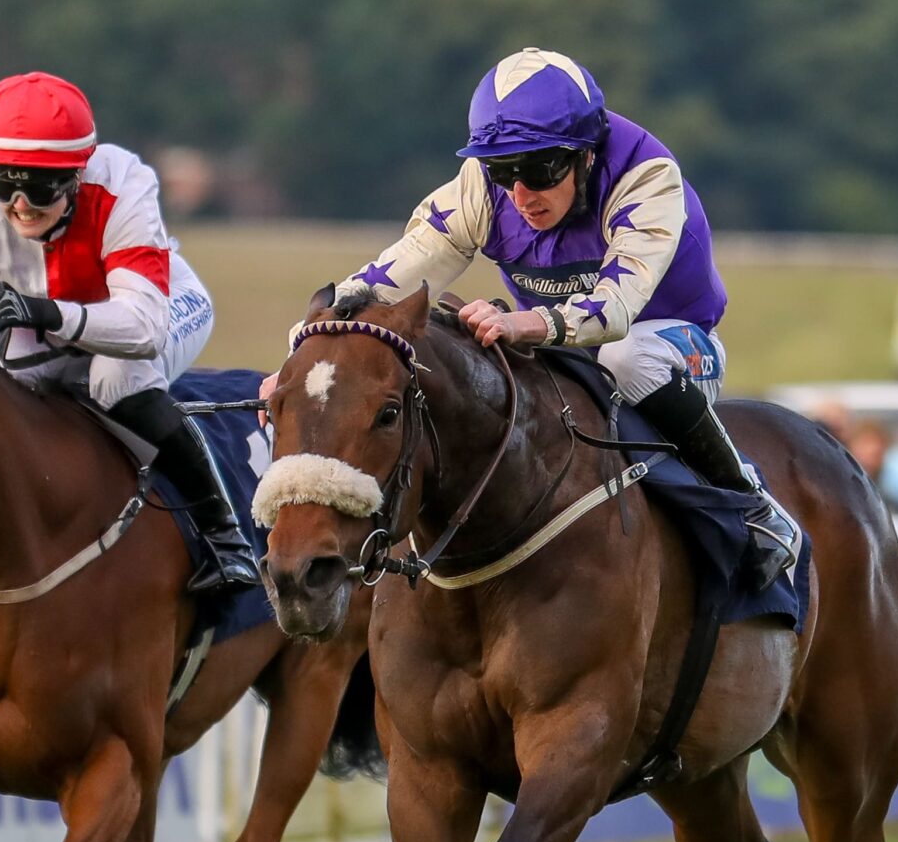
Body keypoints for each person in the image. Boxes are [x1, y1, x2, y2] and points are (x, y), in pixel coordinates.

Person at [323, 46, 802, 589]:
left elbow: (615, 310)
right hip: (563, 343)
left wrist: (524, 324)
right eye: (504, 171)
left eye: (539, 168)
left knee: (628, 358)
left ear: (586, 154)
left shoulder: (646, 178)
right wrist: (313, 338)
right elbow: (394, 273)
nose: (521, 193)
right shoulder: (483, 187)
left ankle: (752, 504)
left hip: (673, 344)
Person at [0, 71, 258, 593]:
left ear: (77, 174)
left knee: (116, 378)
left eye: (37, 185)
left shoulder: (122, 184)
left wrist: (47, 313)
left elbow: (142, 329)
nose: (20, 204)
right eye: (2, 182)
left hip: (160, 308)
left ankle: (225, 537)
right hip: (47, 322)